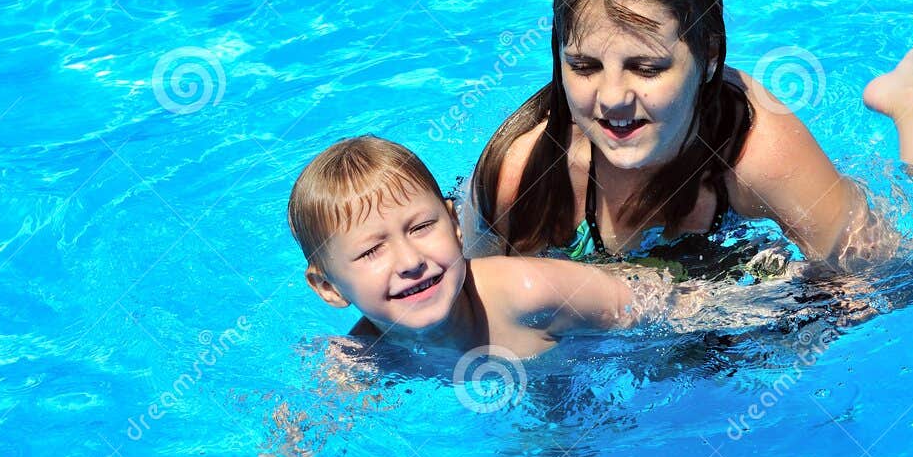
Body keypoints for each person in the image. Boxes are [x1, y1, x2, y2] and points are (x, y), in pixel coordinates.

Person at [465, 0, 913, 272]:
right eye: (583, 66)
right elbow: (465, 310)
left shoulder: (761, 154)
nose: (612, 99)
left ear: (709, 56)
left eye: (646, 67)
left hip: (755, 196)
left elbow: (873, 288)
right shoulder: (524, 170)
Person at [288, 135, 674, 361]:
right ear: (328, 287)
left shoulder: (528, 291)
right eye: (371, 251)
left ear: (455, 224)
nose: (410, 261)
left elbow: (674, 304)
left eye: (422, 227)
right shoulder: (364, 358)